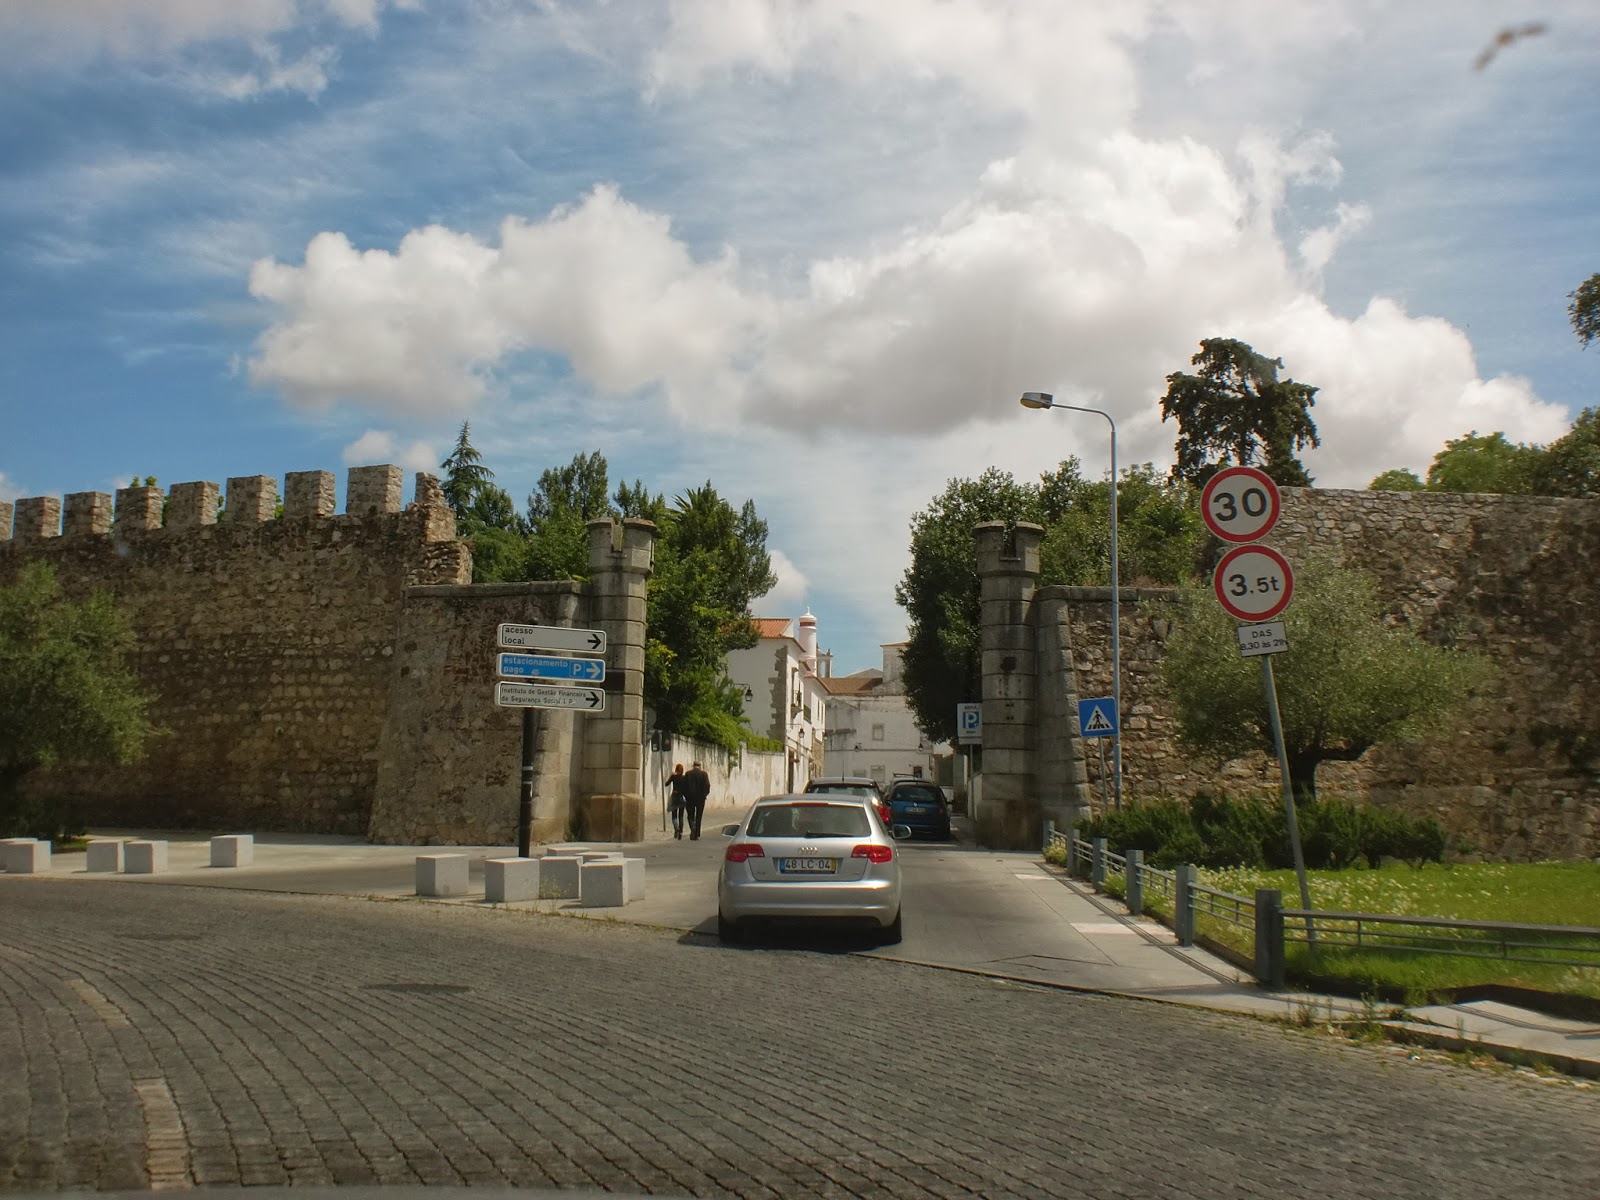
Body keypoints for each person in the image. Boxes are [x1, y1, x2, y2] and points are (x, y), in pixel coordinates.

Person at [682, 761, 712, 840]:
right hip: (700, 799)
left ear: (693, 766)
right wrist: (705, 794)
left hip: (690, 798)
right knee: (699, 816)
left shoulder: (688, 774)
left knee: (690, 815)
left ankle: (692, 826)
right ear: (700, 766)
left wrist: (686, 795)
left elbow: (684, 786)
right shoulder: (704, 774)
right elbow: (707, 785)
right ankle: (697, 833)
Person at [664, 763, 690, 839]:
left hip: (674, 797)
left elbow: (666, 784)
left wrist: (671, 776)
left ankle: (676, 826)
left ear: (676, 769)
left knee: (674, 815)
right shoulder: (684, 778)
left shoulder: (673, 776)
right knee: (681, 816)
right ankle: (681, 832)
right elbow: (686, 788)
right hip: (681, 798)